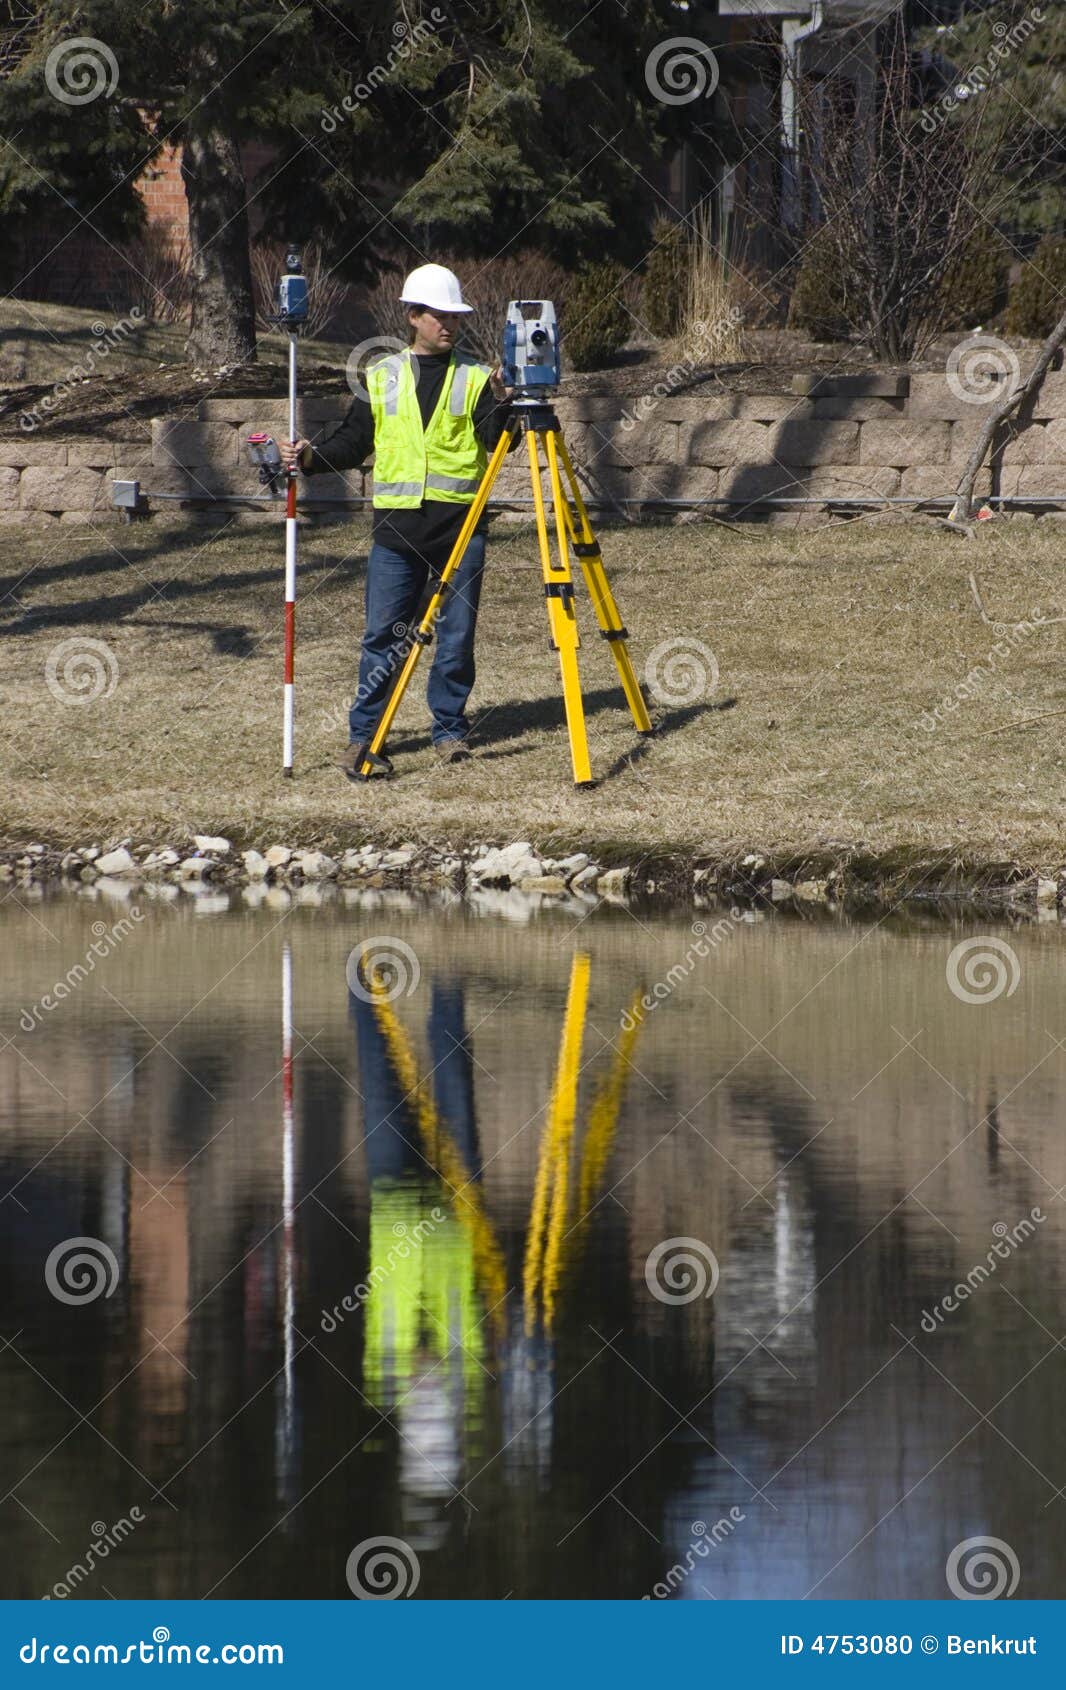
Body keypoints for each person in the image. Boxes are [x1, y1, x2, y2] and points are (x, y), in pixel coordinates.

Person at [281, 263, 514, 776]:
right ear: (413, 316)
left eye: (455, 315)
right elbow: (353, 441)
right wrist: (311, 457)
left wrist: (503, 403)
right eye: (438, 314)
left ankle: (449, 731)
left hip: (461, 529)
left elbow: (499, 443)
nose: (449, 323)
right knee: (383, 637)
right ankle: (366, 737)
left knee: (455, 637)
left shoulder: (476, 378)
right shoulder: (380, 375)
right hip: (397, 532)